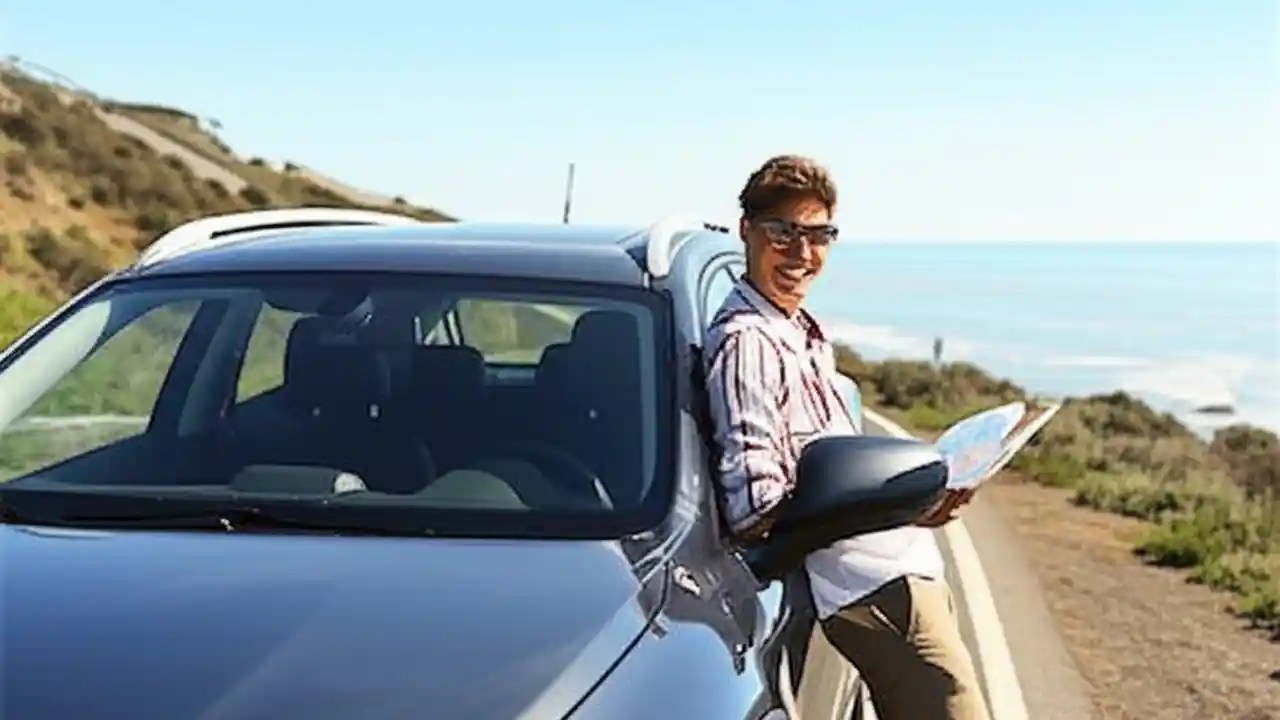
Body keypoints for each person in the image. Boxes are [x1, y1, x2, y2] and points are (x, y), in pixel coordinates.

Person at [702, 154, 989, 720]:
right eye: (783, 232)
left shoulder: (800, 332)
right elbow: (754, 508)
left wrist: (915, 504)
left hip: (899, 570)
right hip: (869, 591)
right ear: (746, 230)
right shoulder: (748, 343)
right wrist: (888, 501)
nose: (802, 253)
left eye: (818, 236)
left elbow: (834, 467)